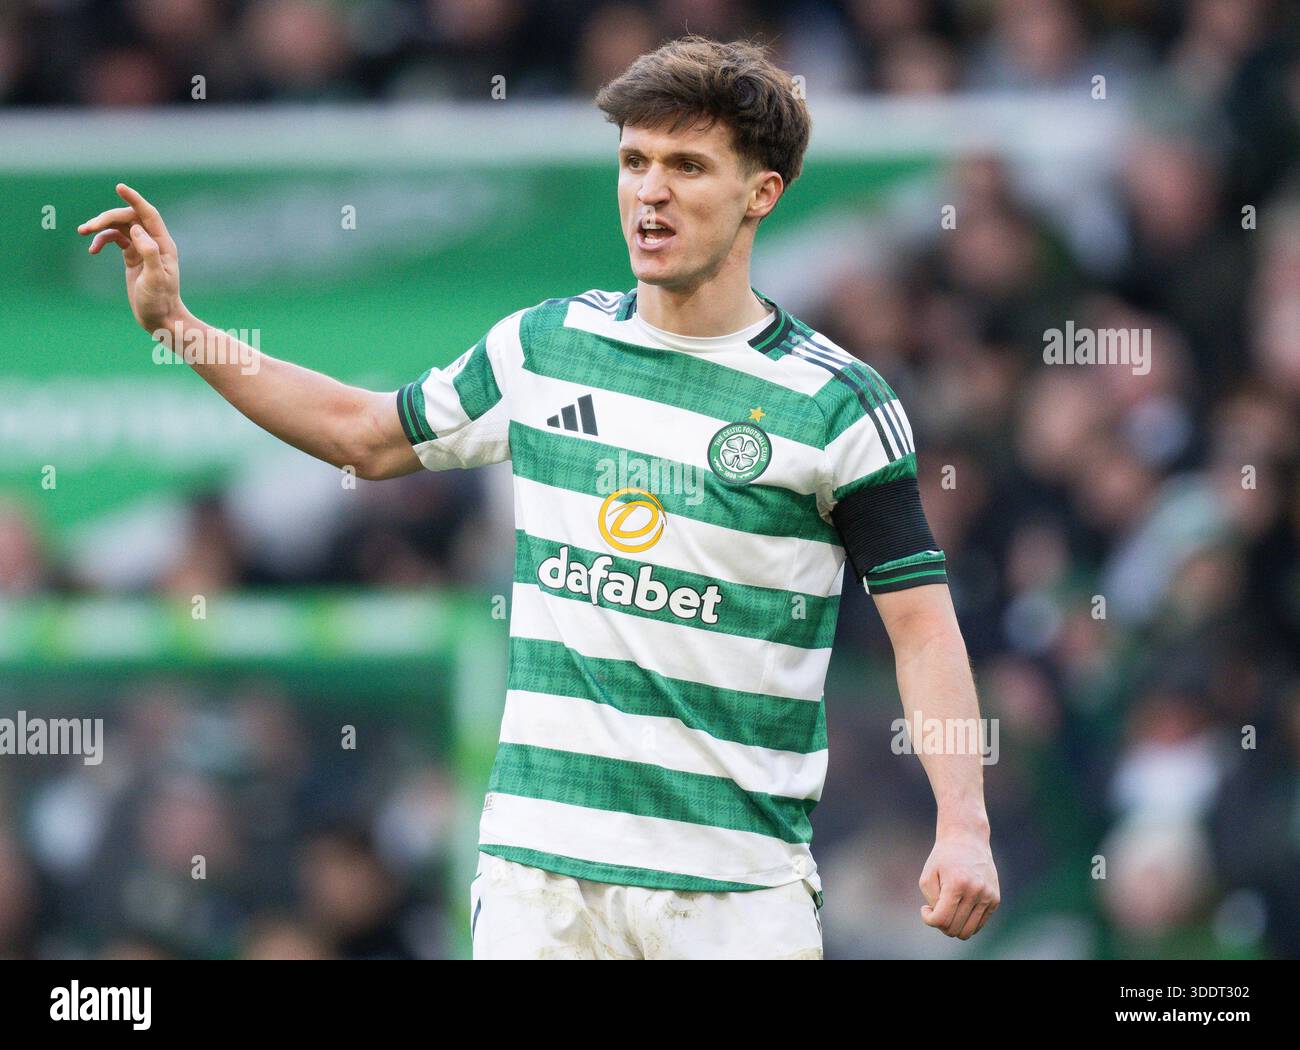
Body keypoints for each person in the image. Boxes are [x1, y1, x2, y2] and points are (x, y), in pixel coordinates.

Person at [78, 35, 999, 960]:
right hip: (539, 881)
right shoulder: (542, 348)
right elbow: (361, 434)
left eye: (688, 165)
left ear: (763, 193)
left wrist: (962, 823)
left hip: (734, 890)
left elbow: (921, 628)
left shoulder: (837, 403)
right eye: (634, 162)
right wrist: (183, 328)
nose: (651, 192)